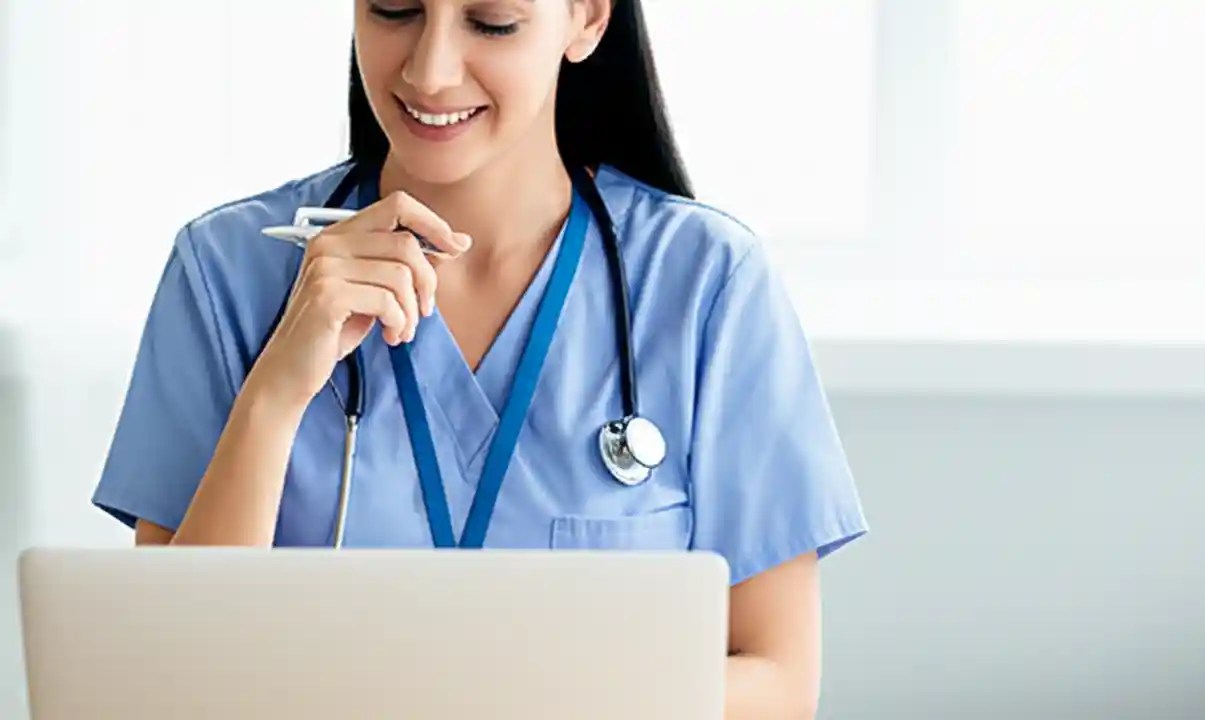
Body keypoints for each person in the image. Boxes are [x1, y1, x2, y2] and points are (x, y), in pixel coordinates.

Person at [91, 0, 868, 716]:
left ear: (587, 18)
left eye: (492, 22)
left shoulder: (705, 283)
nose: (429, 70)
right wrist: (276, 394)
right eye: (394, 10)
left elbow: (775, 677)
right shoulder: (226, 272)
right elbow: (167, 689)